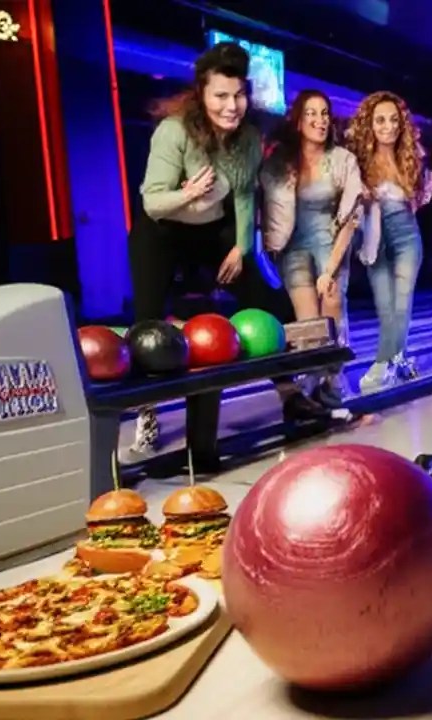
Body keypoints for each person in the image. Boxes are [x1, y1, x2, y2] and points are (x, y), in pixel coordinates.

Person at [127, 42, 330, 459]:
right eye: (221, 95)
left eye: (238, 95)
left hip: (215, 230)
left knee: (267, 301)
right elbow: (152, 202)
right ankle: (145, 414)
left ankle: (291, 394)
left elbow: (242, 196)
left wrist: (240, 249)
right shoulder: (175, 131)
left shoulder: (249, 139)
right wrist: (188, 194)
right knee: (148, 319)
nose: (231, 105)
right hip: (162, 230)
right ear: (202, 93)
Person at [260, 90, 364, 408]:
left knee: (332, 299)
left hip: (330, 242)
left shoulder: (343, 160)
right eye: (311, 114)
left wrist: (331, 268)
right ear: (298, 120)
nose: (320, 121)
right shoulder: (279, 163)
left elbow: (352, 217)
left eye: (324, 113)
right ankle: (313, 379)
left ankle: (333, 377)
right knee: (308, 323)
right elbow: (258, 199)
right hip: (292, 247)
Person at [347, 91, 432, 393]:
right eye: (380, 120)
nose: (388, 126)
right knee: (386, 309)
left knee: (401, 306)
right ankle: (397, 358)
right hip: (375, 241)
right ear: (369, 124)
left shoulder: (410, 158)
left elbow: (419, 199)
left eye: (394, 120)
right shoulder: (357, 162)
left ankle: (380, 363)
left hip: (407, 238)